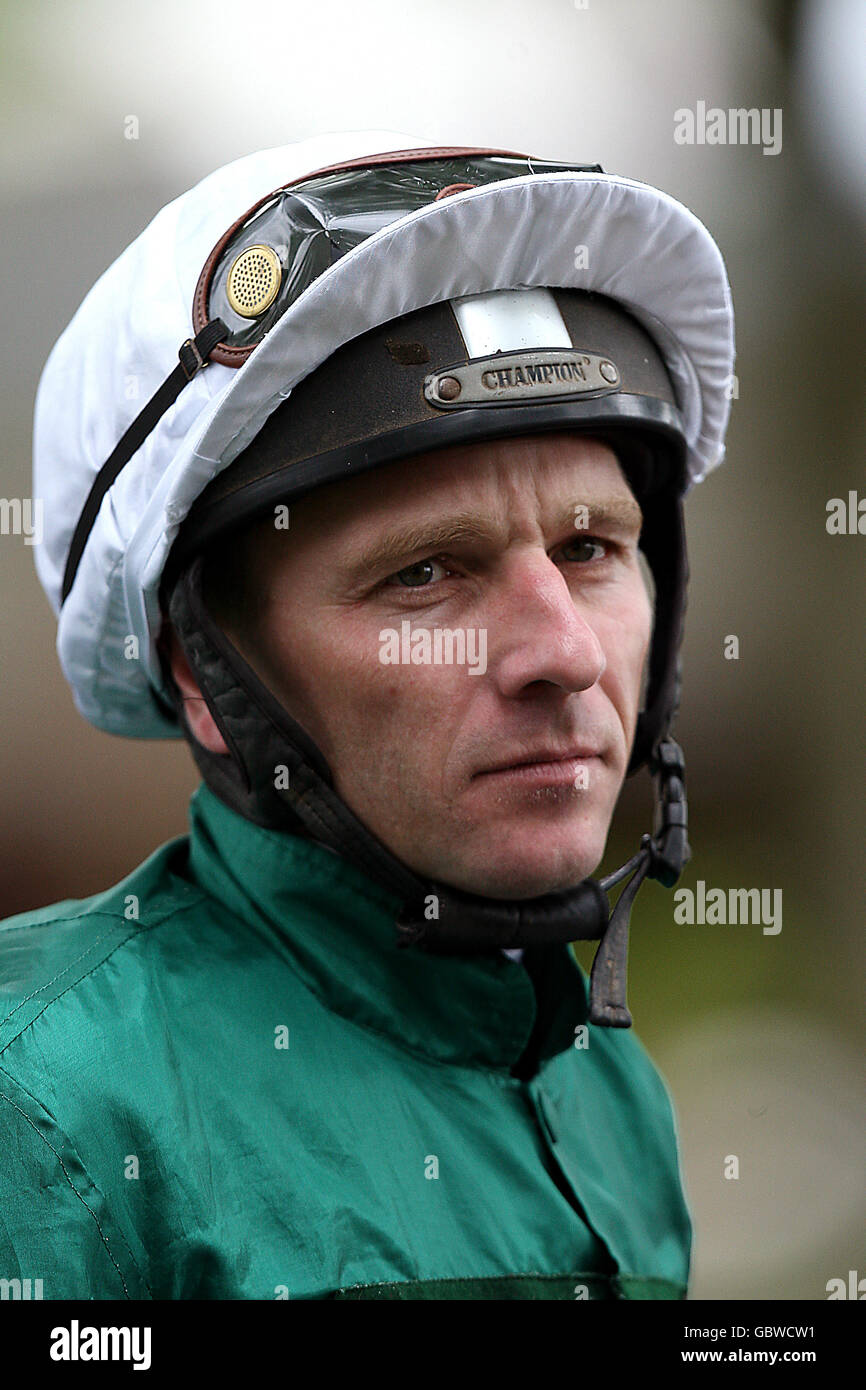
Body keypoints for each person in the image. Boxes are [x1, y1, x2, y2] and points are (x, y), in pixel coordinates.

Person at [0, 131, 734, 1300]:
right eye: (425, 574)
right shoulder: (43, 1107)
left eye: (590, 547)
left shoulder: (604, 1086)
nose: (563, 652)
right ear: (204, 671)